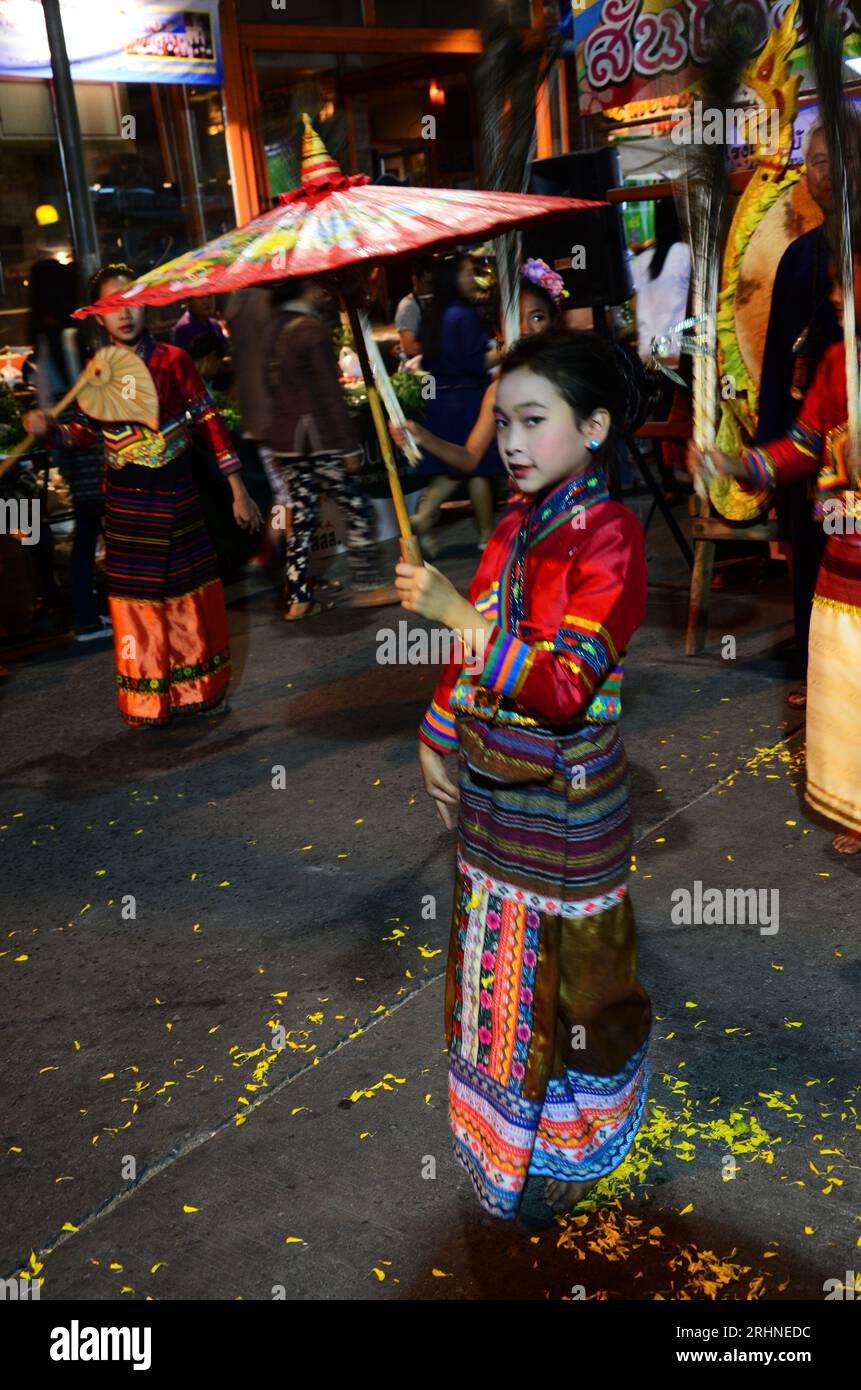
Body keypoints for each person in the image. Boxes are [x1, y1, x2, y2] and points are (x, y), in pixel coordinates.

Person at [396, 329, 651, 1224]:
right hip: (494, 799)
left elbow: (559, 688)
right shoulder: (513, 521)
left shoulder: (611, 537)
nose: (509, 441)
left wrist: (454, 611)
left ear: (593, 427)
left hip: (571, 811)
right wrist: (433, 735)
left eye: (532, 420)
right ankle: (510, 1136)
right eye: (502, 420)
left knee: (581, 982)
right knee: (497, 971)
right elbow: (476, 658)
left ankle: (582, 1135)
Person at [23, 263, 261, 726]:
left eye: (131, 300)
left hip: (177, 492)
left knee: (187, 595)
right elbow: (84, 433)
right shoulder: (97, 372)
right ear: (98, 317)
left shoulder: (174, 360)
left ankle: (199, 689)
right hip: (128, 504)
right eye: (113, 306)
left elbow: (210, 424)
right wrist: (51, 428)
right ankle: (149, 698)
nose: (125, 314)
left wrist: (238, 490)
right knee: (139, 603)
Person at [688, 255, 861, 856]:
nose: (835, 295)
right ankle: (855, 802)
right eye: (833, 278)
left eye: (848, 278)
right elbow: (803, 447)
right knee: (845, 691)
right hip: (844, 563)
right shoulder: (837, 363)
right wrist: (738, 464)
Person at [756, 117, 843, 708]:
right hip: (811, 436)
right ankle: (820, 673)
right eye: (814, 160)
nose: (827, 170)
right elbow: (776, 360)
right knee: (814, 555)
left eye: (839, 157)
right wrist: (765, 451)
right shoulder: (798, 258)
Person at [262, 274, 398, 619]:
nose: (322, 292)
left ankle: (298, 597)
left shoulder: (270, 330)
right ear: (304, 290)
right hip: (320, 440)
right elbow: (329, 395)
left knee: (303, 518)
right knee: (356, 509)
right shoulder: (311, 330)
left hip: (287, 443)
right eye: (316, 286)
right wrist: (349, 446)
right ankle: (369, 586)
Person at [393, 259, 567, 476]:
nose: (525, 329)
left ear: (553, 322)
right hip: (527, 505)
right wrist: (423, 437)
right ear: (499, 331)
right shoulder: (498, 392)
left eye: (537, 317)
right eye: (513, 319)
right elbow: (470, 459)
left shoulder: (571, 379)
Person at [26, 258, 105, 639]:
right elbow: (84, 395)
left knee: (89, 527)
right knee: (94, 525)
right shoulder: (69, 337)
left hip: (66, 443)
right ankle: (88, 615)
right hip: (87, 443)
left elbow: (45, 396)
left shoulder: (42, 335)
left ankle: (84, 610)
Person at [412, 253, 499, 556]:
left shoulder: (434, 313)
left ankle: (485, 534)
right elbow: (476, 362)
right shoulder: (463, 315)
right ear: (452, 278)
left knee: (463, 468)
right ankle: (484, 536)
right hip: (466, 398)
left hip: (440, 398)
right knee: (475, 466)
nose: (471, 278)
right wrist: (509, 349)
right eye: (466, 273)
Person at [631, 198, 691, 366]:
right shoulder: (685, 253)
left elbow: (635, 305)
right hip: (678, 350)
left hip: (647, 350)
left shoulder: (641, 259)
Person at [395, 256, 434, 363]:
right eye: (427, 283)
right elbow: (409, 347)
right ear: (415, 280)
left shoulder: (438, 298)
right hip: (418, 367)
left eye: (433, 283)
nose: (431, 287)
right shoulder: (408, 306)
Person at [173, 294, 230, 361]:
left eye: (209, 296)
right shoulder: (183, 328)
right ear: (188, 301)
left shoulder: (215, 324)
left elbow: (225, 351)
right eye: (200, 297)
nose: (206, 302)